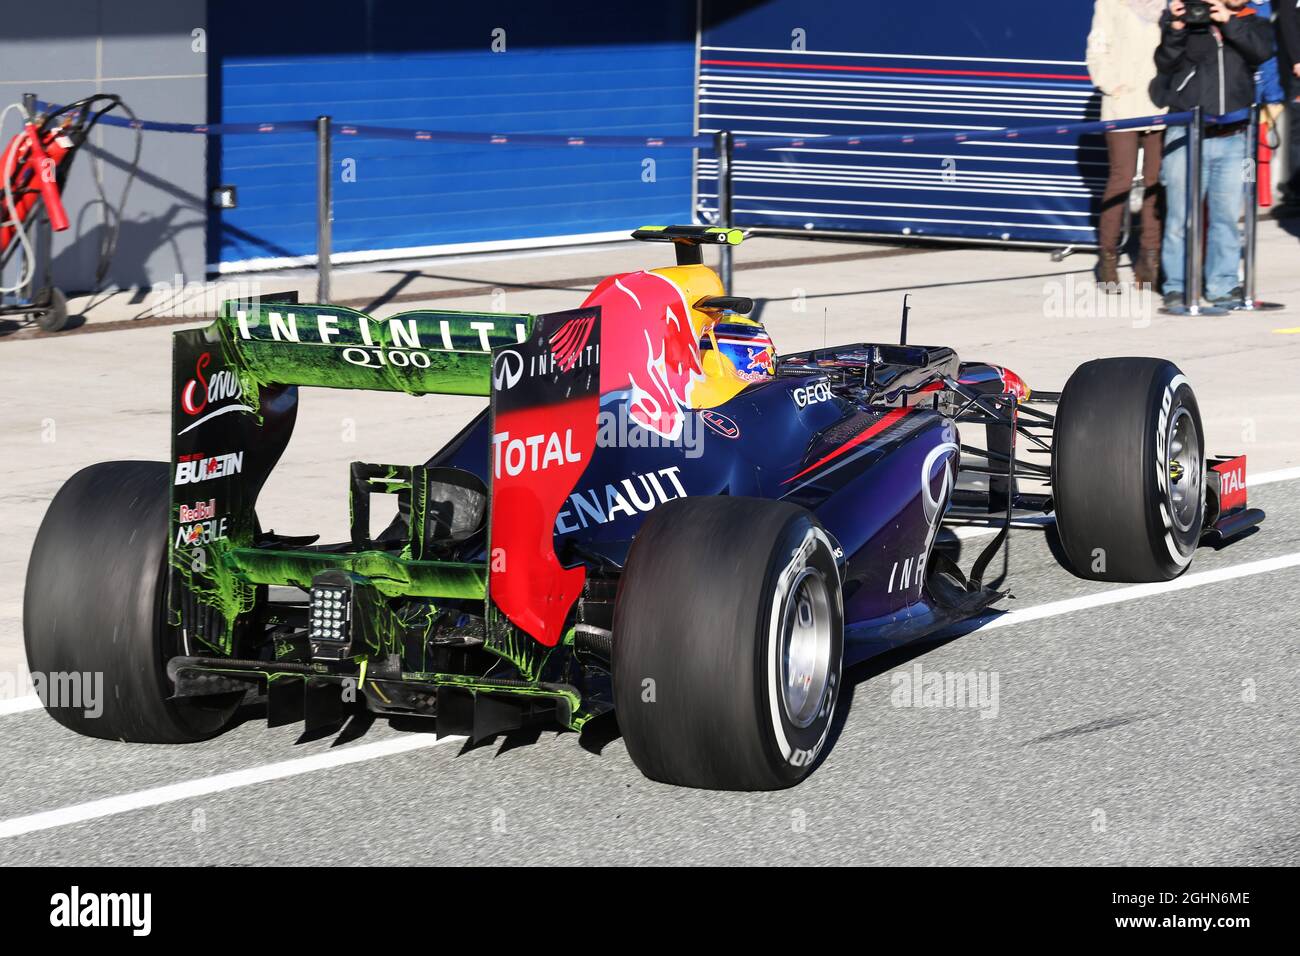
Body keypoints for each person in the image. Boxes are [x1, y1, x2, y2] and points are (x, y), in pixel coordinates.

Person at [1155, 0, 1274, 308]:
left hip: (1234, 137)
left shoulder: (1252, 20)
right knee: (1181, 218)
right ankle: (1177, 286)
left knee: (1225, 218)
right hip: (1188, 133)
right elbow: (1165, 64)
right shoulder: (1189, 21)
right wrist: (1176, 29)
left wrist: (1229, 22)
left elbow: (1262, 52)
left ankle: (1223, 285)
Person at [1087, 0, 1168, 290]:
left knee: (1154, 181)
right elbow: (1097, 48)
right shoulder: (1110, 3)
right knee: (1121, 178)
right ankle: (1107, 257)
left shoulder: (1166, 4)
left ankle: (1149, 260)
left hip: (1159, 103)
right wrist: (1111, 83)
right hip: (1122, 102)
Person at [1275, 0, 1300, 206]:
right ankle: (1296, 186)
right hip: (1297, 71)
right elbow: (1287, 19)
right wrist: (1297, 60)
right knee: (1298, 128)